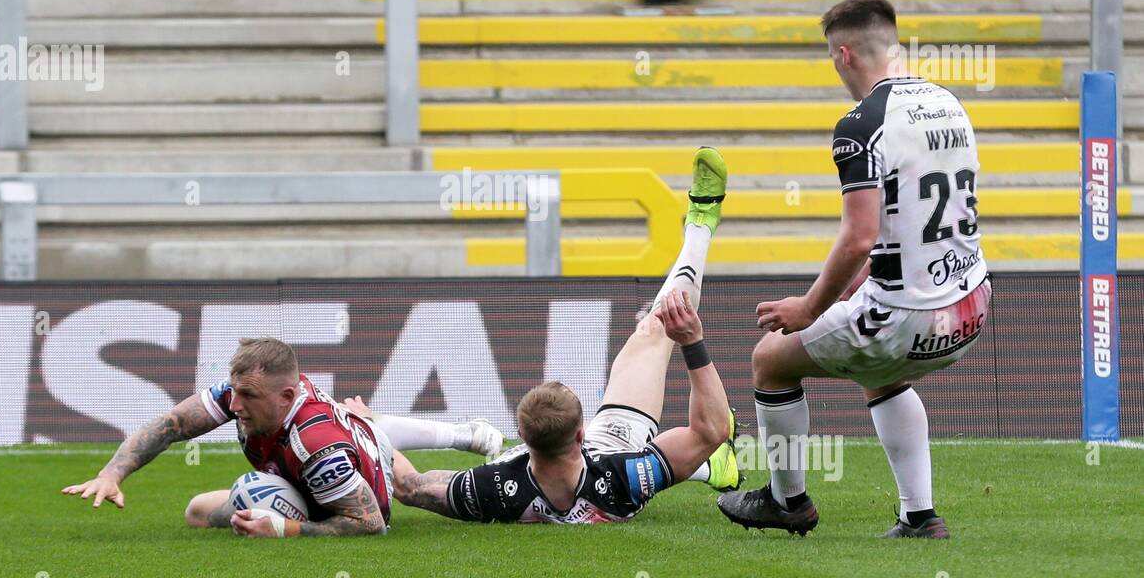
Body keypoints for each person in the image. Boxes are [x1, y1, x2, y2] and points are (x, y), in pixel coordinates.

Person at [717, 0, 990, 539]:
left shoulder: (860, 124)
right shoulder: (949, 102)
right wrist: (863, 283)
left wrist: (809, 306)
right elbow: (922, 216)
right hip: (972, 307)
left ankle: (785, 501)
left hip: (907, 317)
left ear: (844, 54)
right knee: (877, 373)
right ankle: (919, 517)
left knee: (771, 359)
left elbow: (858, 237)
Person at [384, 147, 740, 525]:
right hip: (620, 440)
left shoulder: (492, 488)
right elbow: (712, 429)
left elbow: (410, 487)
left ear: (520, 436)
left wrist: (361, 425)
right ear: (581, 434)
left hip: (560, 467)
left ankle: (710, 466)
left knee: (662, 341)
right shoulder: (626, 476)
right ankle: (701, 221)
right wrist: (692, 342)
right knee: (662, 322)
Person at [61, 336, 503, 537]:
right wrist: (112, 472)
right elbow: (172, 425)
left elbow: (371, 524)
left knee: (409, 487)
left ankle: (493, 460)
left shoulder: (318, 446)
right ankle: (379, 427)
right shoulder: (245, 395)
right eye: (233, 393)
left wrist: (288, 528)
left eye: (247, 397)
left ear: (285, 395)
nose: (234, 407)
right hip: (320, 455)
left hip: (363, 475)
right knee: (196, 512)